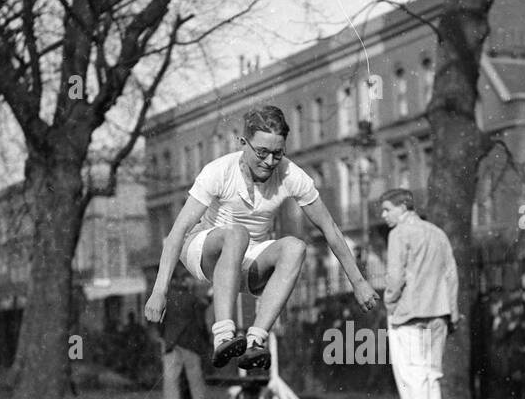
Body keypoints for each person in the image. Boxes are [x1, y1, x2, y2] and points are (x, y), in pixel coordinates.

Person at [143, 105, 378, 368]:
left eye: (277, 153)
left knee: (295, 247)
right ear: (243, 143)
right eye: (262, 152)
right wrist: (159, 291)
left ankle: (255, 341)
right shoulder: (219, 171)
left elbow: (330, 228)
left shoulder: (291, 174)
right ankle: (223, 335)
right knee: (237, 233)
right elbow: (177, 232)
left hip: (249, 259)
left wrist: (358, 282)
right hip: (204, 250)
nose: (269, 162)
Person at [379, 188, 460, 399]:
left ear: (403, 208)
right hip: (439, 312)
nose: (383, 215)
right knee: (431, 372)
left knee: (411, 375)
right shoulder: (437, 233)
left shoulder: (399, 234)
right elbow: (451, 274)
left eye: (387, 209)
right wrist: (453, 312)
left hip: (410, 313)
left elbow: (395, 277)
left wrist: (389, 302)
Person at [160, 272, 211, 399]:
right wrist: (205, 340)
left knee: (171, 378)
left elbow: (160, 321)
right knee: (195, 379)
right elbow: (201, 321)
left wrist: (164, 337)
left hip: (171, 342)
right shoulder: (192, 299)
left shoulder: (167, 299)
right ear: (185, 281)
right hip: (190, 342)